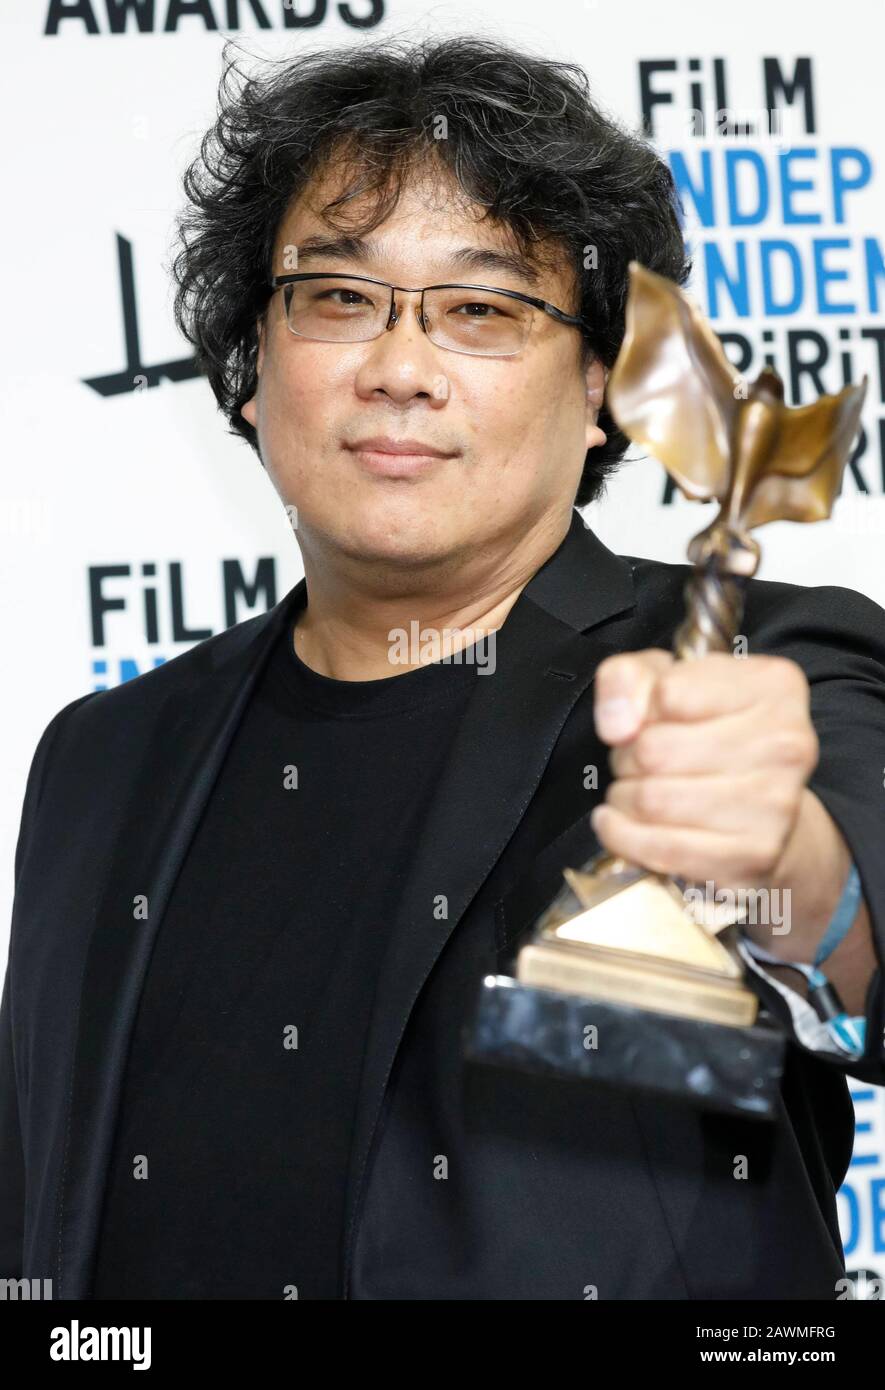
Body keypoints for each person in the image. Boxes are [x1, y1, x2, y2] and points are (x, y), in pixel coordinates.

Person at [2, 34, 884, 1301]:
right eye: (340, 298)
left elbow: (864, 932)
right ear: (254, 371)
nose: (401, 369)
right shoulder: (103, 753)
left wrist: (794, 874)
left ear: (600, 386)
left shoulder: (752, 658)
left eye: (482, 309)